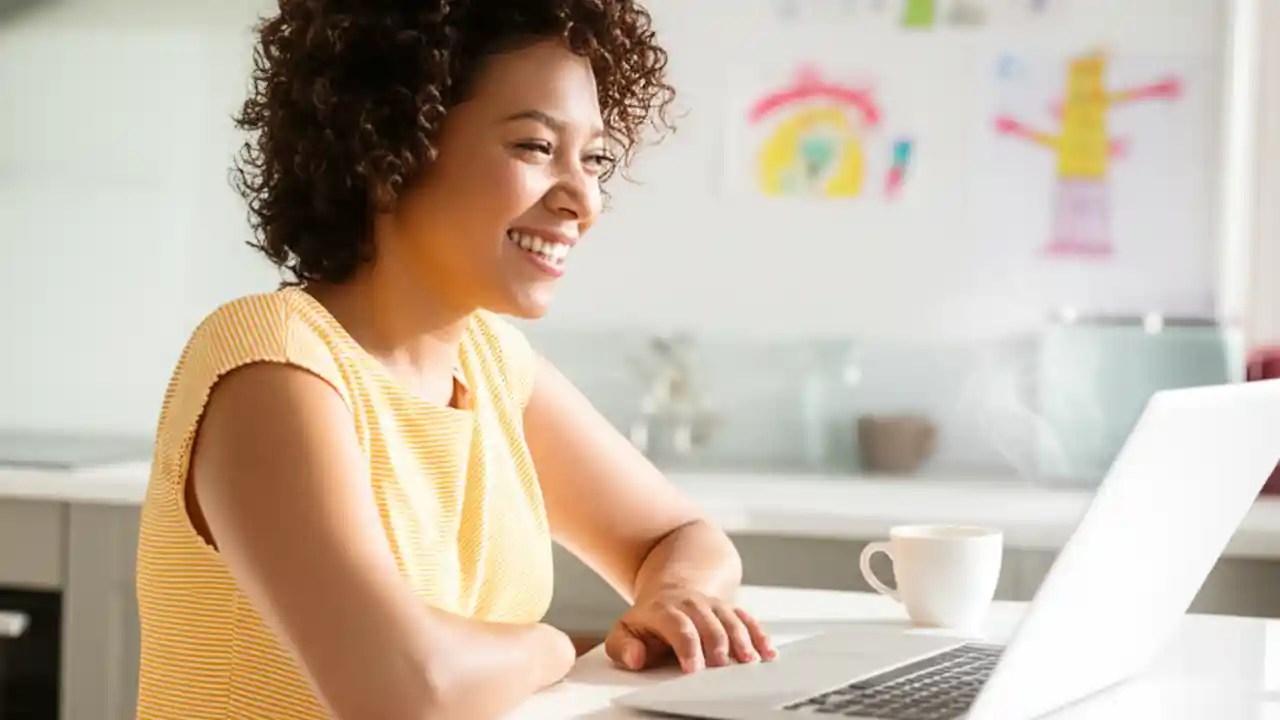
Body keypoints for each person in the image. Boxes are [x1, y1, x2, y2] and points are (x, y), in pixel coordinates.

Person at [134, 1, 775, 718]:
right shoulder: (273, 368)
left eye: (592, 158)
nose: (582, 200)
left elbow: (680, 538)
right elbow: (405, 690)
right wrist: (553, 646)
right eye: (535, 147)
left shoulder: (492, 365)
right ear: (388, 152)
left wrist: (679, 599)